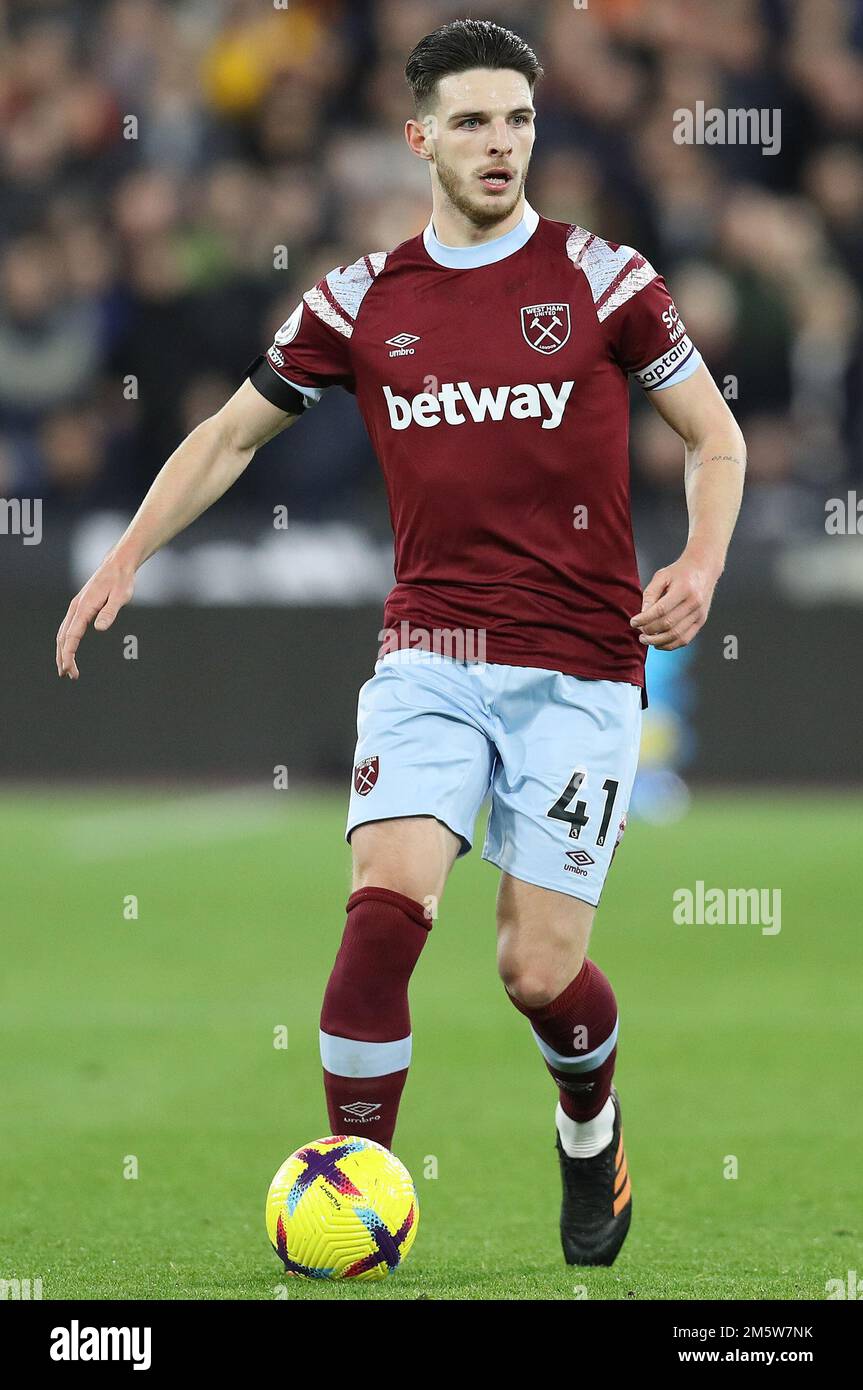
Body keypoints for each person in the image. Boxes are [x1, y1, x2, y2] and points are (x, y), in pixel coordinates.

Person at [56, 18, 746, 1267]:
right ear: (418, 135)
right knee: (383, 908)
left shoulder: (604, 280)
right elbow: (226, 436)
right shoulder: (361, 299)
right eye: (473, 121)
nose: (500, 144)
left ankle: (589, 1124)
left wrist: (696, 561)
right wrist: (126, 552)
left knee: (537, 975)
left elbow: (716, 439)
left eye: (519, 120)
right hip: (426, 654)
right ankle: (354, 1192)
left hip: (581, 666)